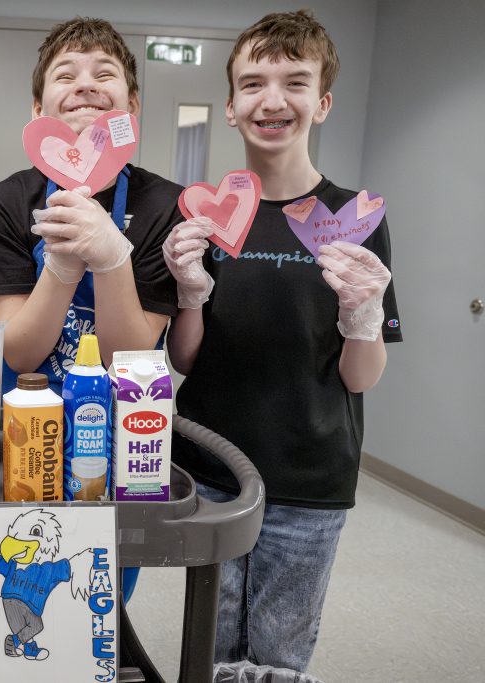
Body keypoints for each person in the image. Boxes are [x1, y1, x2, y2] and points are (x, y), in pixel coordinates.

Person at [163, 10, 401, 674]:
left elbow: (361, 376)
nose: (274, 99)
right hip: (210, 469)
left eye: (296, 82)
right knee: (207, 646)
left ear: (322, 102)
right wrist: (188, 293)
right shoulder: (203, 214)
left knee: (279, 653)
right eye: (253, 83)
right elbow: (184, 359)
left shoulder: (356, 219)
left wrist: (362, 315)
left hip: (312, 475)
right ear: (232, 107)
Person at [0, 17, 179, 396]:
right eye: (66, 76)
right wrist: (65, 264)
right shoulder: (6, 200)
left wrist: (112, 259)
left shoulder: (165, 204)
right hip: (33, 418)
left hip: (132, 420)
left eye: (104, 75)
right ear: (38, 110)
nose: (86, 85)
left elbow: (130, 362)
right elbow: (19, 353)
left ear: (131, 105)